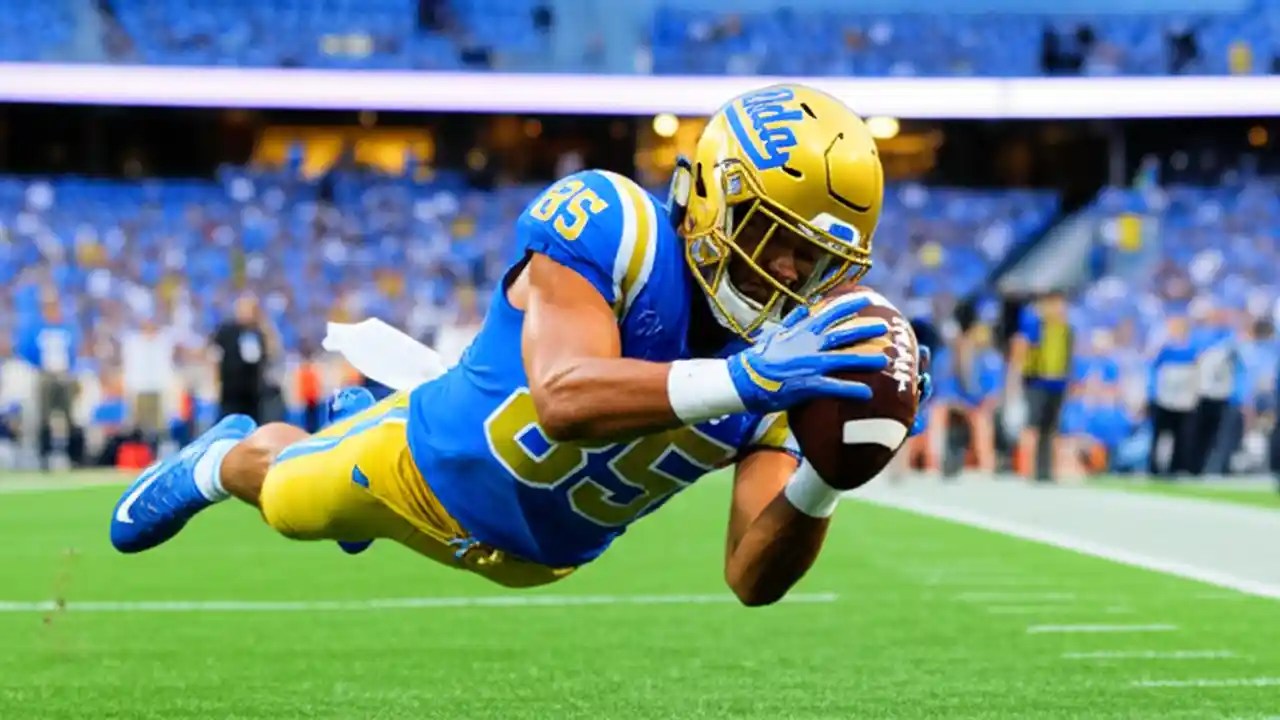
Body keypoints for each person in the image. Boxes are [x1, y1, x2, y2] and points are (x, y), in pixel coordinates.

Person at [109, 84, 932, 604]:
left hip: (542, 561)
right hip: (425, 468)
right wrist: (744, 379)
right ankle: (215, 462)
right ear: (713, 195)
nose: (783, 269)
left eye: (812, 255)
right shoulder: (618, 227)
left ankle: (349, 421)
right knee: (288, 502)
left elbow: (750, 579)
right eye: (767, 233)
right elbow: (565, 397)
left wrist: (828, 477)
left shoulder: (794, 365)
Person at [1007, 291, 1074, 482]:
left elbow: (1068, 356)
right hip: (1037, 380)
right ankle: (1027, 468)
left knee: (1050, 428)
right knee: (1033, 426)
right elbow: (1022, 347)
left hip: (1058, 383)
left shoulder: (1065, 328)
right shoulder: (1035, 323)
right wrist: (1015, 376)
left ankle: (1046, 471)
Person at [210, 294, 268, 422]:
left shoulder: (259, 333)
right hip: (230, 393)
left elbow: (267, 356)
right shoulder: (226, 331)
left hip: (253, 395)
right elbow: (214, 356)